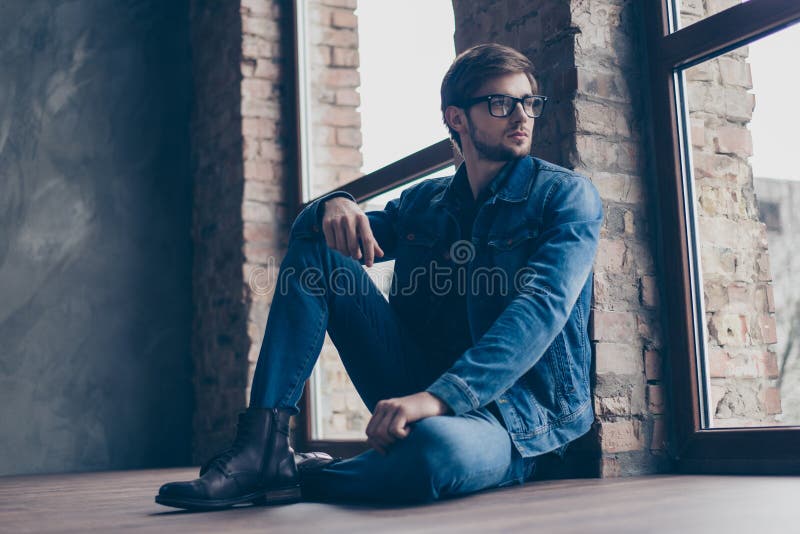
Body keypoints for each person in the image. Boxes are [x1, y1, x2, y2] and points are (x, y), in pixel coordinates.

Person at [156, 42, 603, 510]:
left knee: (436, 452)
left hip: (516, 417)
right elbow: (320, 243)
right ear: (456, 118)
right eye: (501, 103)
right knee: (316, 253)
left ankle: (300, 478)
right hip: (416, 386)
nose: (521, 116)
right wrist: (332, 204)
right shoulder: (422, 203)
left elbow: (539, 311)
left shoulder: (566, 197)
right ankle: (264, 444)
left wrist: (438, 399)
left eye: (529, 103)